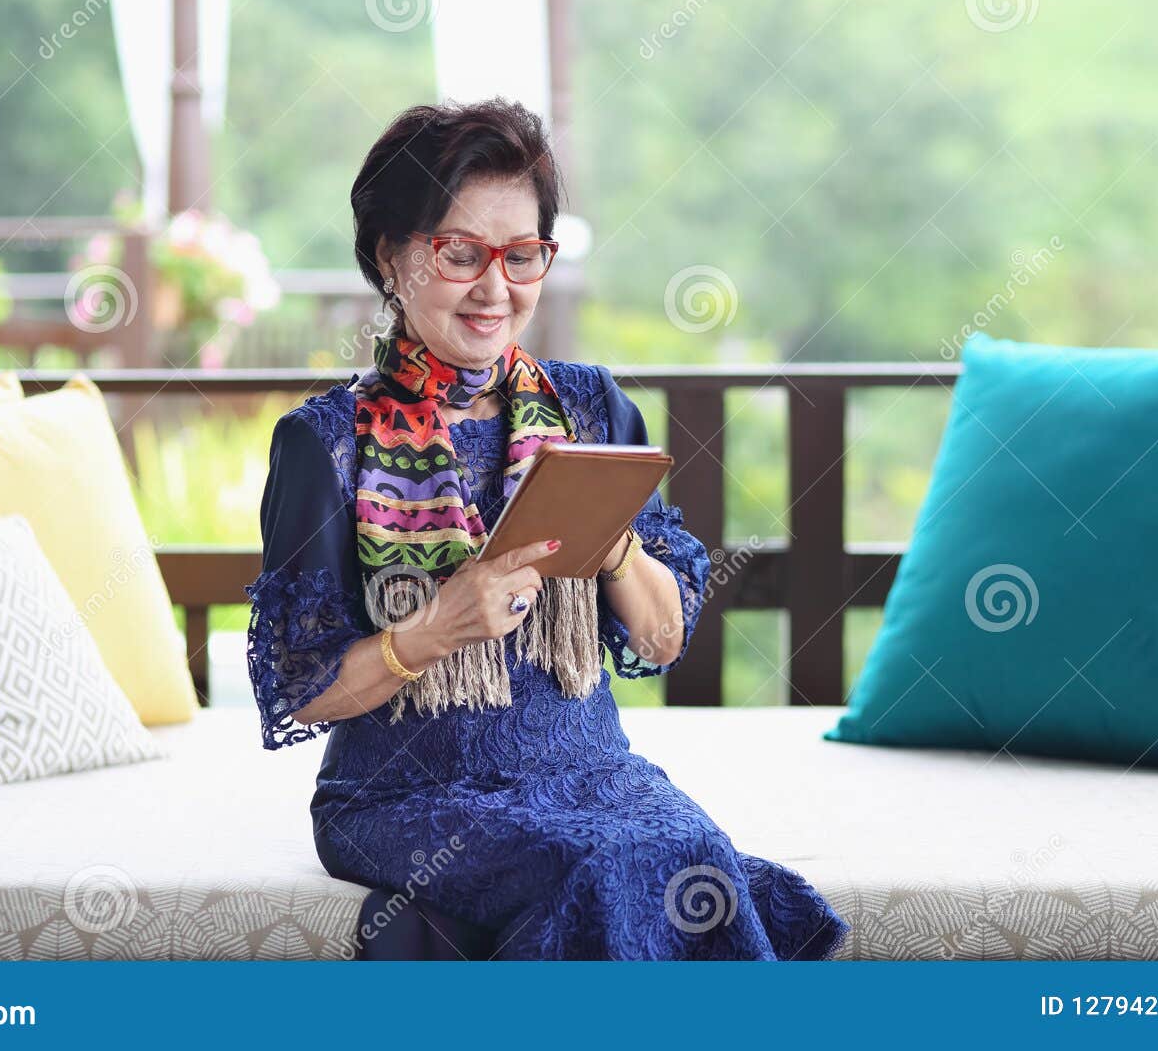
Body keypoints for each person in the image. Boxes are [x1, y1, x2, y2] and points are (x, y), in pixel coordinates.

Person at [245, 96, 849, 960]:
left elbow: (663, 635)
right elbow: (298, 690)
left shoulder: (589, 408)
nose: (496, 288)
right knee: (613, 862)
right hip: (404, 796)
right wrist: (431, 629)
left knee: (691, 860)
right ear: (391, 257)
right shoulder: (328, 443)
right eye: (460, 253)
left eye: (522, 255)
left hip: (592, 771)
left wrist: (612, 548)